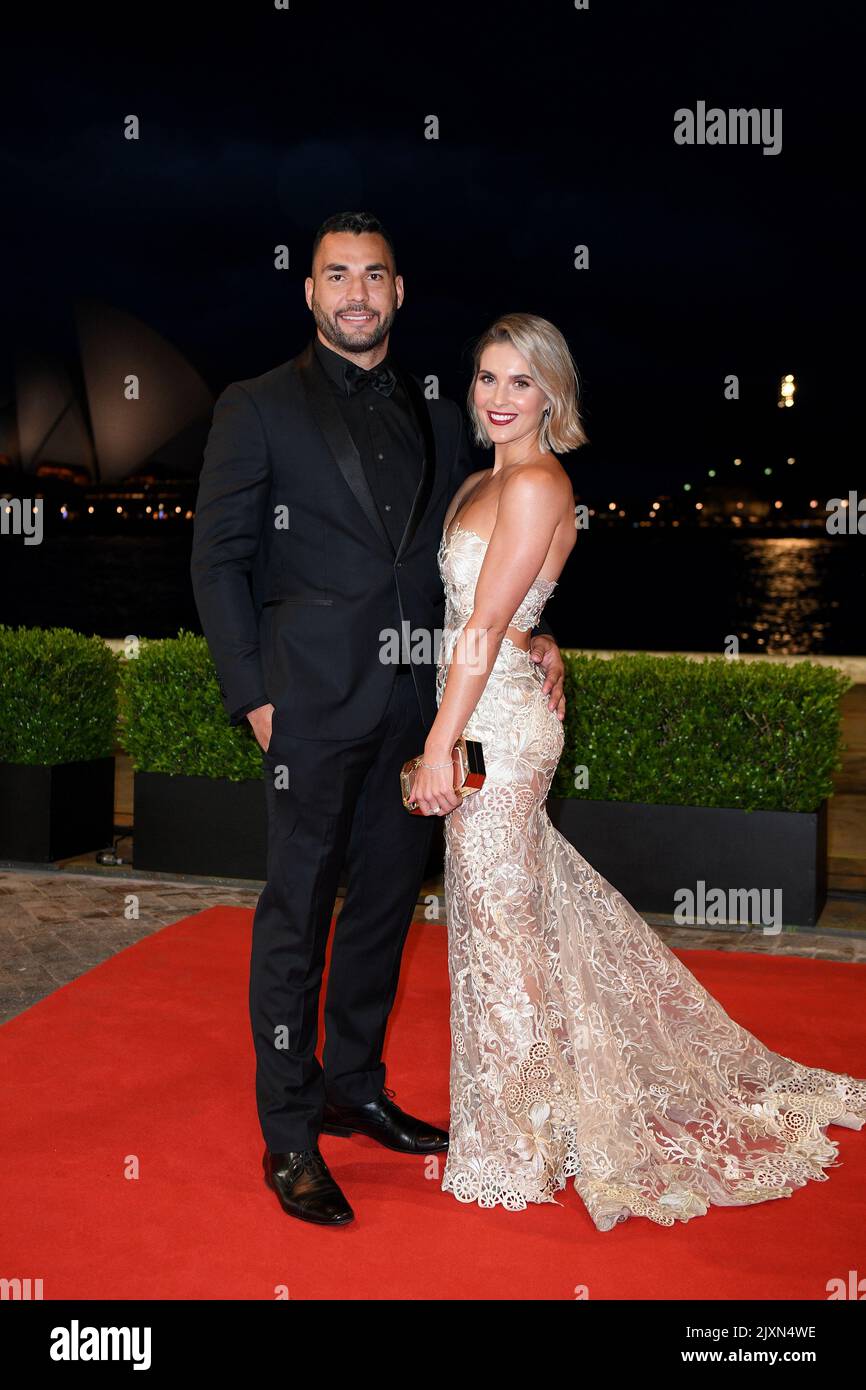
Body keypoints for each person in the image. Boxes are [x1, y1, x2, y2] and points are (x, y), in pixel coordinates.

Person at [409, 311, 866, 1231]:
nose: (499, 397)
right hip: (491, 708)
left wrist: (439, 744)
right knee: (505, 923)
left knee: (501, 930)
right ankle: (526, 1124)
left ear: (554, 396)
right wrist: (541, 642)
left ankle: (521, 1144)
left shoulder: (539, 484)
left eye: (520, 382)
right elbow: (510, 609)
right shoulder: (477, 483)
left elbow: (484, 628)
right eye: (488, 378)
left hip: (493, 730)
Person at [189, 215, 566, 1227]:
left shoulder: (441, 413)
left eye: (373, 276)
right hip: (306, 712)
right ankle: (290, 1132)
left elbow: (469, 564)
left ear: (398, 293)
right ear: (308, 293)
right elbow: (216, 562)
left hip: (415, 716)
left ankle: (356, 1085)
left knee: (386, 913)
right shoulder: (256, 405)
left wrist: (527, 636)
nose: (355, 292)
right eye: (335, 276)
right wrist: (254, 698)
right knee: (296, 920)